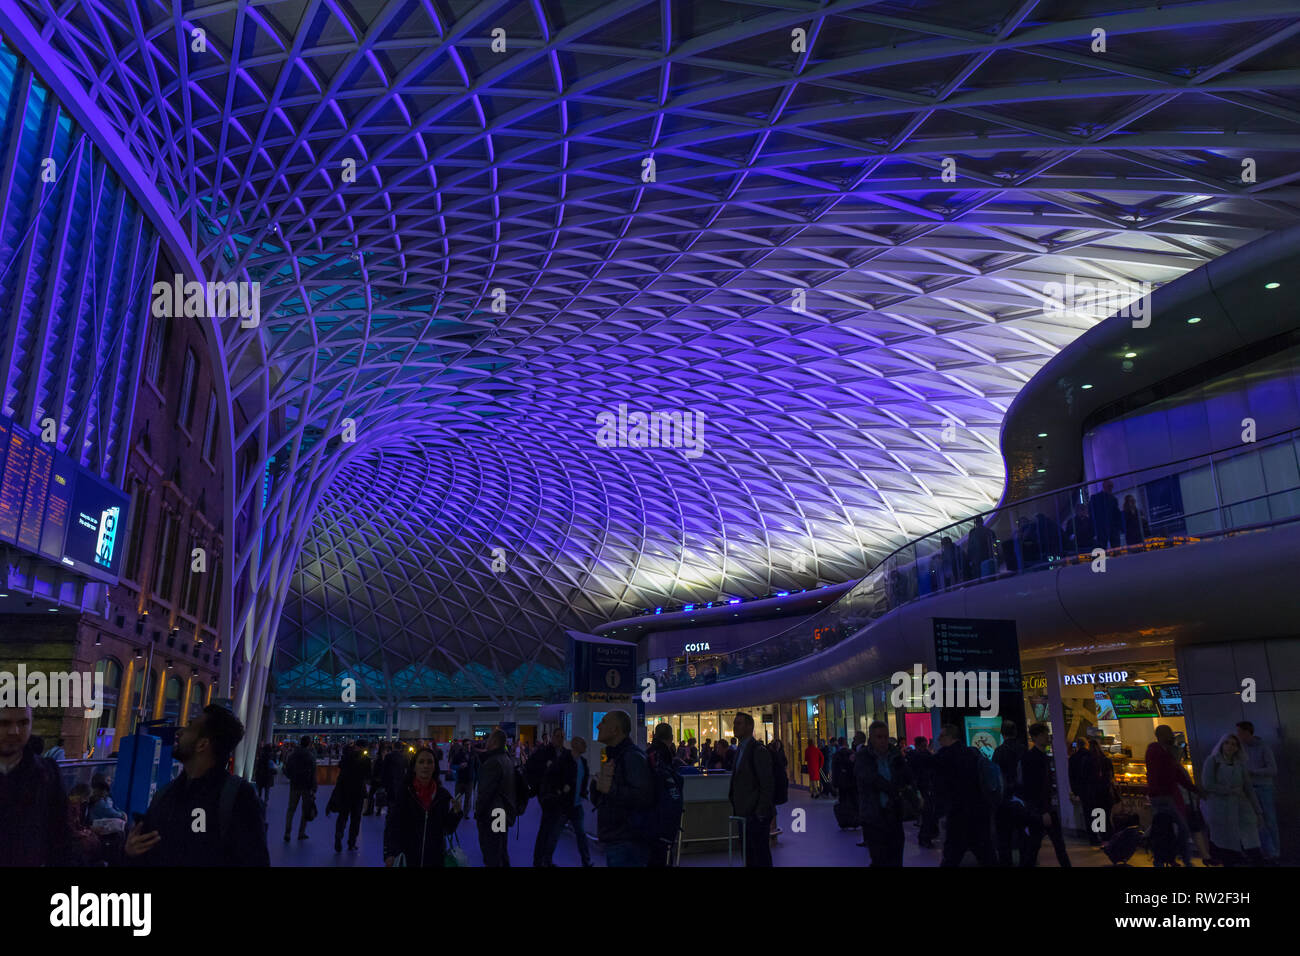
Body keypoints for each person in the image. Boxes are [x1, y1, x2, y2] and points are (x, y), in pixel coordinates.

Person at [124, 704, 269, 866]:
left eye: (189, 726)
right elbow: (147, 851)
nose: (179, 732)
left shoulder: (238, 797)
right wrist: (131, 852)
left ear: (202, 744)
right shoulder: (166, 793)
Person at [0, 706, 70, 866]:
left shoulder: (48, 774)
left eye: (23, 723)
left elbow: (60, 836)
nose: (14, 731)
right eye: (4, 723)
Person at [592, 710, 655, 866]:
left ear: (615, 730)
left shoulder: (631, 757)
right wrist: (597, 788)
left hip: (628, 842)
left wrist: (609, 789)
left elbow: (643, 797)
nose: (598, 726)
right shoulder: (616, 756)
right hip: (618, 839)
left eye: (604, 722)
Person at [383, 746, 463, 867]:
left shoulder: (442, 795)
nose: (425, 766)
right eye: (421, 762)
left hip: (434, 859)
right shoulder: (404, 793)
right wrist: (389, 853)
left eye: (430, 762)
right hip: (407, 858)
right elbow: (392, 825)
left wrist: (455, 813)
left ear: (435, 766)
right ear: (414, 767)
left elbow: (447, 829)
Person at [934, 724, 995, 866]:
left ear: (950, 737)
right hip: (978, 813)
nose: (938, 739)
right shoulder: (972, 753)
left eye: (942, 736)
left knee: (952, 854)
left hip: (959, 814)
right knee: (985, 853)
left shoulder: (947, 755)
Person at [854, 721, 912, 866]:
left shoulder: (895, 754)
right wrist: (894, 788)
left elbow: (906, 776)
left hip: (894, 815)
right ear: (871, 739)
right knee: (880, 859)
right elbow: (871, 779)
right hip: (874, 816)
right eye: (879, 737)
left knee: (896, 858)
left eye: (885, 737)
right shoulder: (864, 757)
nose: (883, 741)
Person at [1201, 734, 1263, 866]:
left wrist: (1258, 811)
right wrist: (1230, 790)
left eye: (1234, 744)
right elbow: (1207, 784)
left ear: (1237, 748)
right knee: (1227, 848)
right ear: (1221, 745)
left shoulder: (1240, 764)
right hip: (1221, 810)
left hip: (1241, 808)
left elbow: (1248, 788)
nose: (1230, 746)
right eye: (1227, 743)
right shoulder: (1212, 761)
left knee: (1250, 844)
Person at [1145, 724, 1199, 867]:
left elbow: (1174, 773)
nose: (1171, 736)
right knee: (1180, 828)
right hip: (1164, 797)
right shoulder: (1157, 751)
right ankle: (1184, 859)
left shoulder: (1156, 750)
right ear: (1161, 735)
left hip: (1160, 796)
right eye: (1168, 734)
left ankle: (1166, 859)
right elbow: (1172, 773)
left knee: (1164, 829)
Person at [1019, 723, 1070, 867]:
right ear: (1035, 737)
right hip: (1042, 810)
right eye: (1043, 734)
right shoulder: (1035, 758)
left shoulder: (1037, 757)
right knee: (1054, 846)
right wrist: (1044, 810)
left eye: (1046, 734)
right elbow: (1035, 787)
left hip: (1042, 809)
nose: (1046, 737)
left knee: (1035, 847)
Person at [728, 712, 775, 867]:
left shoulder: (758, 751)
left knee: (759, 855)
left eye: (739, 723)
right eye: (735, 723)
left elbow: (767, 784)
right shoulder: (740, 750)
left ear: (749, 726)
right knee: (748, 855)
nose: (735, 726)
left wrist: (760, 811)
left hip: (755, 815)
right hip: (744, 814)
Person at [544, 735, 593, 866]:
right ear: (575, 745)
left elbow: (582, 781)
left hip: (576, 805)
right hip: (563, 805)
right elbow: (551, 775)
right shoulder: (563, 760)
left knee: (580, 835)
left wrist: (583, 792)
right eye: (583, 744)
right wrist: (559, 789)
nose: (585, 747)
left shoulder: (583, 762)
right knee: (555, 834)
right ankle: (547, 860)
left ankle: (586, 861)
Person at [1235, 721, 1280, 864]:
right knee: (1258, 822)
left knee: (1269, 821)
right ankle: (1266, 852)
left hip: (1263, 787)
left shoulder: (1263, 747)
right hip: (1250, 788)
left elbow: (1273, 769)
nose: (1238, 735)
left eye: (1240, 732)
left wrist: (1253, 772)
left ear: (1247, 732)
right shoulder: (1241, 749)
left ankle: (1274, 853)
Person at [474, 729, 517, 867]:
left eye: (489, 738)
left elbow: (485, 792)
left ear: (494, 742)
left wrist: (479, 813)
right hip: (502, 813)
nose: (486, 741)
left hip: (492, 814)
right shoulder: (507, 759)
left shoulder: (492, 762)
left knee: (492, 853)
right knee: (501, 850)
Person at [532, 730, 568, 866]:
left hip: (559, 797)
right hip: (547, 796)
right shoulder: (543, 752)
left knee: (553, 831)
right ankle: (538, 860)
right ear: (552, 737)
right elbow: (534, 769)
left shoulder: (565, 753)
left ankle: (546, 859)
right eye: (557, 736)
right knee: (546, 829)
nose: (559, 739)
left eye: (562, 737)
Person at [991, 722, 1025, 865]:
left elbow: (995, 776)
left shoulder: (999, 751)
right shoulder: (1023, 749)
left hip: (1004, 800)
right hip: (1021, 798)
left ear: (1002, 734)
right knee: (1023, 834)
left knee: (1004, 838)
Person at [332, 739, 372, 852]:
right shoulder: (366, 760)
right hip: (358, 792)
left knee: (343, 816)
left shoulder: (346, 757)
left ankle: (339, 835)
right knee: (355, 819)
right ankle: (351, 843)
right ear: (363, 747)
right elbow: (368, 775)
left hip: (345, 791)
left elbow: (340, 766)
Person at [905, 735, 938, 849]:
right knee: (928, 812)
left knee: (927, 812)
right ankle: (925, 837)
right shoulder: (921, 757)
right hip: (922, 788)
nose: (925, 748)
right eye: (924, 746)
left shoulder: (914, 756)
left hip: (922, 787)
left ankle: (926, 836)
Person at [283, 735, 318, 842]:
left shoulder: (292, 755)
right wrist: (314, 787)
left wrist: (292, 777)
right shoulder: (310, 756)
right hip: (306, 786)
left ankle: (287, 832)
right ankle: (301, 833)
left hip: (295, 785)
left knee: (291, 809)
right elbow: (313, 773)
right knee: (305, 810)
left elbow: (286, 769)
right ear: (309, 744)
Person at [1085, 738, 1116, 845]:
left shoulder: (1088, 761)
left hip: (1094, 794)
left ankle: (1101, 839)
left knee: (1098, 818)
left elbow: (1085, 778)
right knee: (1107, 817)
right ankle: (1109, 839)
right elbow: (1112, 776)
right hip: (1106, 794)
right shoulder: (1106, 760)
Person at [1089, 479, 1122, 549]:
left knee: (1112, 547)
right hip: (1102, 528)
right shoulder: (1096, 498)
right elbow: (1091, 514)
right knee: (1104, 547)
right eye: (1109, 486)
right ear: (1104, 486)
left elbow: (1116, 514)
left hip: (1109, 528)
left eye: (1111, 486)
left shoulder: (1112, 499)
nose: (1110, 488)